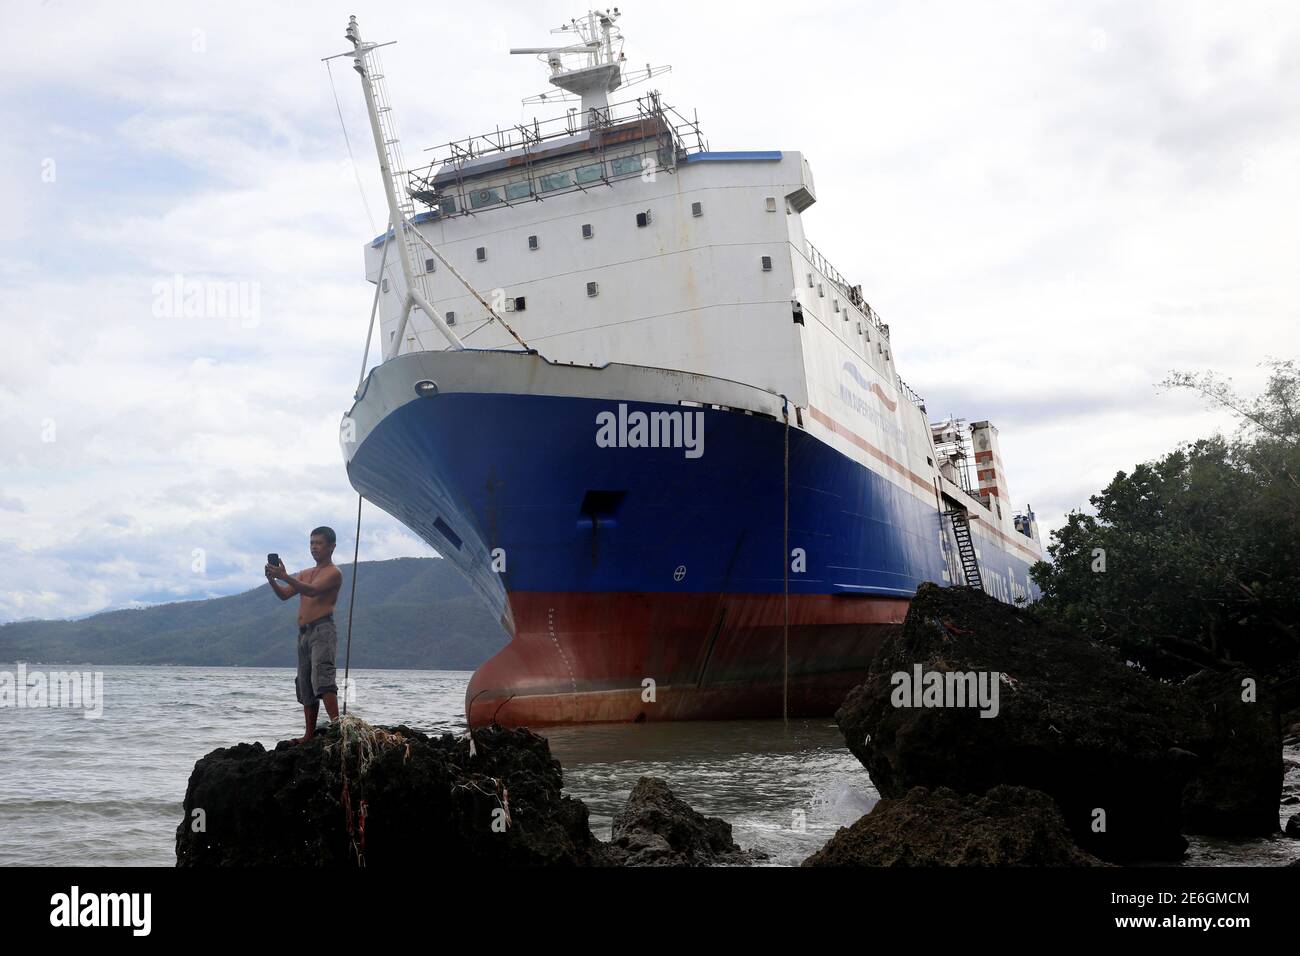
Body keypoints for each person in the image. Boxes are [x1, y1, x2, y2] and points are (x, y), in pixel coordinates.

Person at [265, 527, 344, 742]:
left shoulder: (333, 572)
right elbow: (284, 595)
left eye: (319, 543)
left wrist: (285, 576)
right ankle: (309, 735)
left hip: (322, 631)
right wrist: (273, 579)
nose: (314, 547)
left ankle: (338, 729)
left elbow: (312, 590)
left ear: (331, 546)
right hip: (303, 634)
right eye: (311, 543)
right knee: (305, 683)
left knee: (323, 678)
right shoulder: (305, 573)